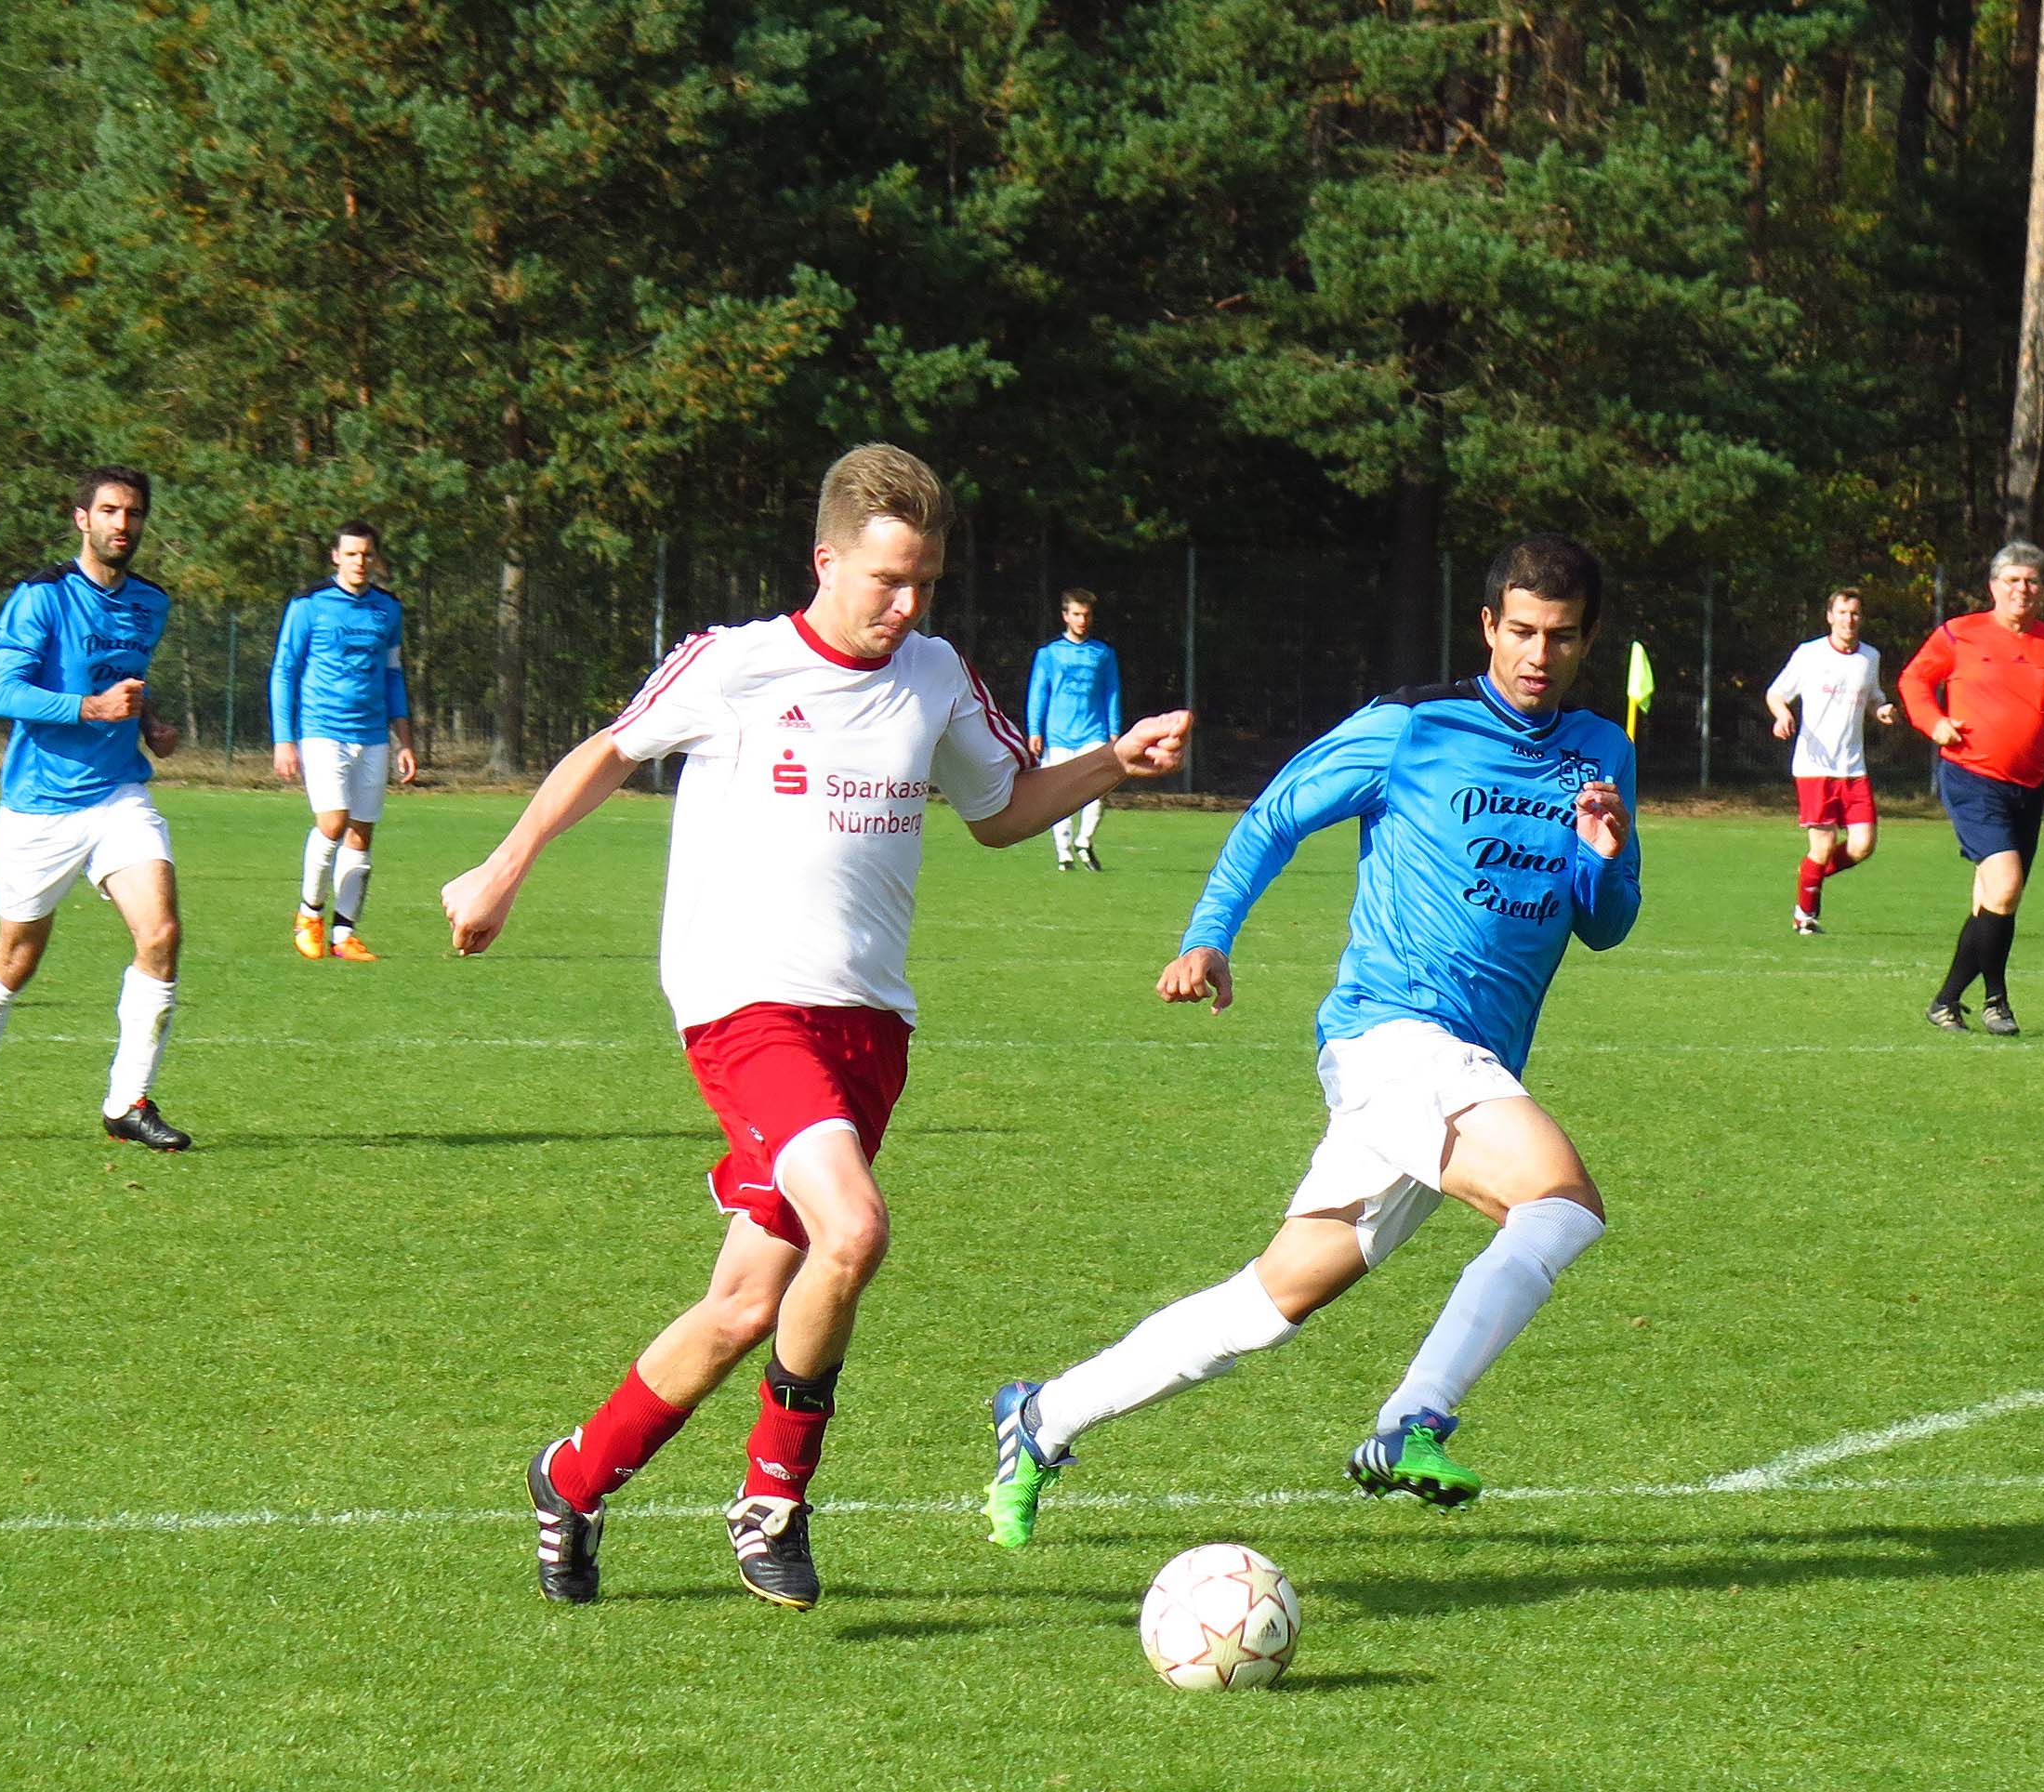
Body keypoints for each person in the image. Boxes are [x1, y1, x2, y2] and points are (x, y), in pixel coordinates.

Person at [439, 444, 1190, 1612]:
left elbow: (998, 813)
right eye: (888, 579)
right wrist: (501, 868)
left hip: (869, 1028)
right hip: (743, 1009)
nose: (907, 605)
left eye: (926, 583)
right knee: (854, 1231)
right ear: (826, 559)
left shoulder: (936, 673)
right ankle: (775, 1497)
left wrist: (1111, 764)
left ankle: (571, 1478)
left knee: (748, 1303)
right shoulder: (737, 665)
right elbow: (604, 753)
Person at [983, 532, 1640, 1548]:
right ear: (1487, 627)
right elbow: (1276, 815)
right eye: (1519, 632)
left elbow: (1605, 921)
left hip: (1468, 1066)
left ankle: (1041, 1418)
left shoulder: (1603, 750)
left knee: (1269, 1300)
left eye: (1559, 637)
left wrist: (1604, 854)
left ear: (1587, 639)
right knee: (1559, 1206)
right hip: (1394, 1037)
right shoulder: (1414, 726)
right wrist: (1208, 934)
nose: (1537, 655)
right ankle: (1410, 1420)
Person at [0, 467, 191, 1150]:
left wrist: (150, 724)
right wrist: (89, 708)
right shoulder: (40, 598)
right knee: (16, 961)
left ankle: (126, 1102)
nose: (122, 524)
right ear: (81, 517)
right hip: (40, 807)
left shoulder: (151, 603)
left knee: (161, 935)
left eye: (133, 513)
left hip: (118, 795)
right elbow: (3, 693)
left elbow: (127, 684)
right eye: (108, 510)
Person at [1897, 541, 2044, 1036]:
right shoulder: (1959, 633)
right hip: (1971, 776)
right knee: (2005, 884)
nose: (2022, 589)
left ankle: (1968, 1001)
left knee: (1994, 900)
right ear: (1994, 586)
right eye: (2012, 580)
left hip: (2028, 787)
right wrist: (1934, 722)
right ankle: (1975, 1001)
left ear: (2042, 590)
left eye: (2031, 581)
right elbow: (1913, 681)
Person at [270, 520, 415, 961]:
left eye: (367, 554)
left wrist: (404, 740)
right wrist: (284, 739)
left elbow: (393, 676)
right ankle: (309, 914)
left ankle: (343, 934)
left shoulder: (388, 610)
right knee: (332, 823)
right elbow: (285, 671)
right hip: (321, 730)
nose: (360, 562)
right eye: (351, 554)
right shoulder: (308, 606)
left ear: (375, 558)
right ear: (336, 557)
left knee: (361, 835)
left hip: (372, 736)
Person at [1763, 586, 1895, 933]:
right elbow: (1777, 693)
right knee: (1821, 848)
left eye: (1854, 614)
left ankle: (1810, 875)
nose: (1848, 620)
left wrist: (1881, 708)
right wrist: (1781, 715)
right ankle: (1805, 915)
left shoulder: (1870, 657)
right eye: (1842, 613)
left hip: (1853, 768)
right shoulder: (1810, 655)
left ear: (1860, 618)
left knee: (1863, 846)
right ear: (1830, 616)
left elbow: (1874, 695)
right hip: (1814, 767)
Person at [1023, 587, 1123, 870]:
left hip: (1094, 733)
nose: (1082, 620)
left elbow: (1112, 692)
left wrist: (1114, 730)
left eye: (1086, 615)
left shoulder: (1103, 654)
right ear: (1065, 616)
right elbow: (1038, 693)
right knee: (1060, 795)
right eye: (1077, 614)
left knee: (1098, 789)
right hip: (1058, 736)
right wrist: (1034, 730)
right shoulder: (1049, 654)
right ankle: (1064, 853)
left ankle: (1084, 840)